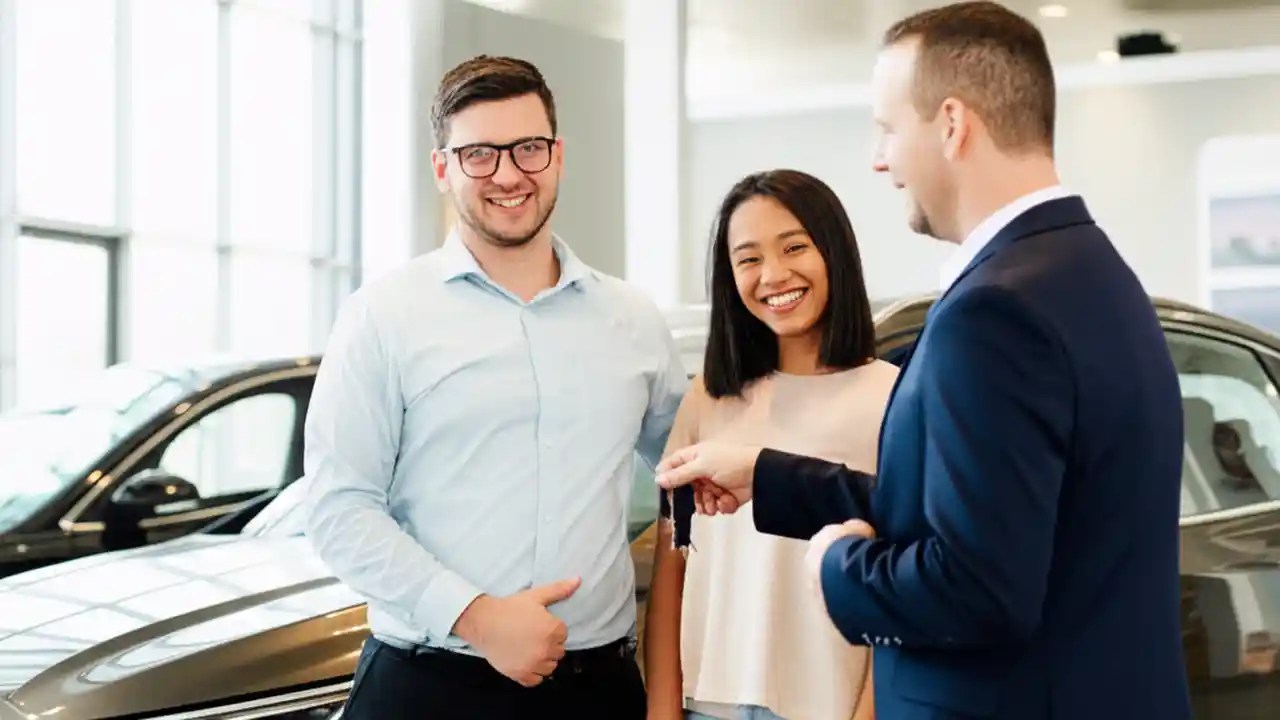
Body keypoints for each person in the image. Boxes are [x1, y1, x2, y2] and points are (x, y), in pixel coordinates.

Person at [654, 3, 1191, 720]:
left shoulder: (996, 312)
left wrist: (835, 571)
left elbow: (976, 584)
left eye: (886, 129)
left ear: (950, 123)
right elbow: (976, 515)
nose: (880, 160)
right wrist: (770, 477)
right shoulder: (1087, 270)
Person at [303, 55, 689, 720]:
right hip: (428, 690)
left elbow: (691, 482)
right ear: (443, 168)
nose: (508, 174)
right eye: (479, 154)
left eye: (528, 149)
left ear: (557, 155)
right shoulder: (383, 314)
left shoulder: (632, 320)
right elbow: (339, 509)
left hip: (597, 692)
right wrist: (477, 617)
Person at [643, 170, 893, 720]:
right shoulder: (709, 396)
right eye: (748, 258)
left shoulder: (892, 396)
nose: (773, 274)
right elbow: (672, 569)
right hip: (710, 702)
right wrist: (662, 708)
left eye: (795, 247)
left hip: (832, 704)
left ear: (834, 252)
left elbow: (898, 576)